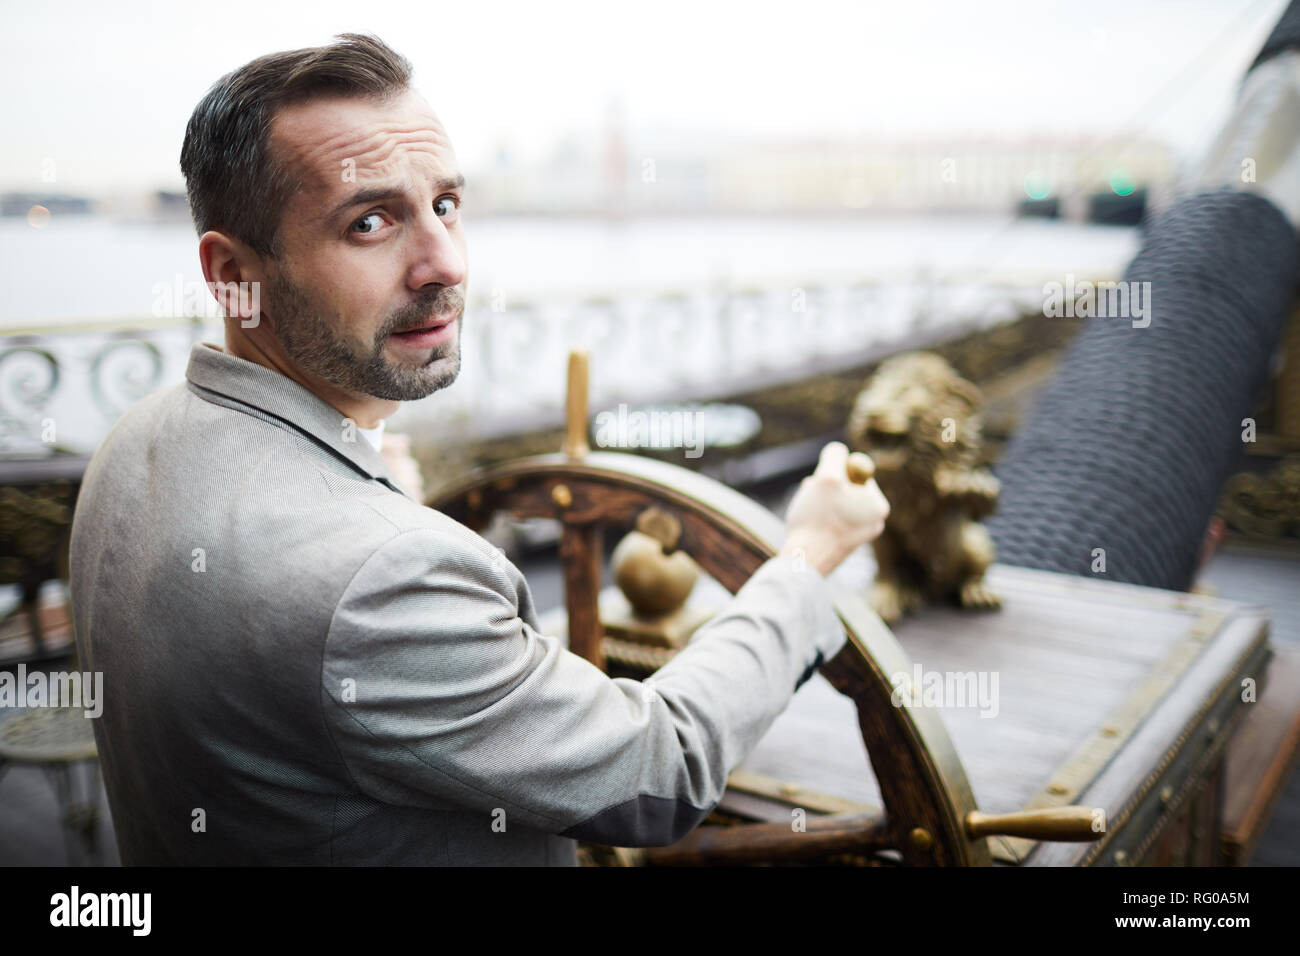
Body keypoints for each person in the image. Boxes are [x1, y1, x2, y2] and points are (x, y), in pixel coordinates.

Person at [68, 33, 889, 865]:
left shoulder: (131, 448)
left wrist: (371, 498)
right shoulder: (381, 580)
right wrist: (807, 558)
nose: (446, 264)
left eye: (447, 206)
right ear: (233, 274)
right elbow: (658, 771)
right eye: (372, 221)